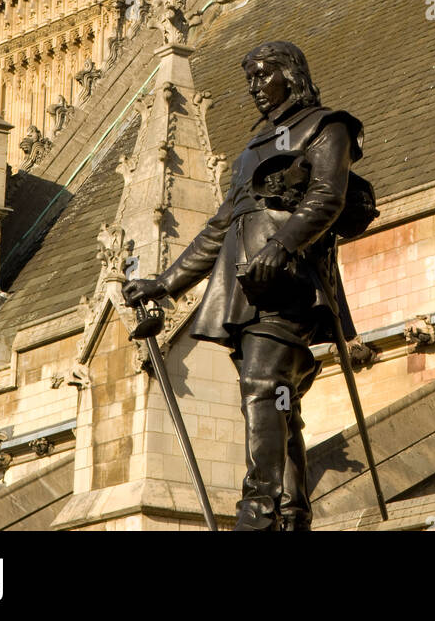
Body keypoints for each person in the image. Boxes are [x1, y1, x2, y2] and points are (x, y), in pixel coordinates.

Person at [123, 40, 370, 532]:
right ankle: (292, 511)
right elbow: (219, 229)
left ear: (291, 74)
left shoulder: (327, 127)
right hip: (243, 293)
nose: (256, 87)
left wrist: (281, 246)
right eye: (250, 79)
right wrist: (165, 285)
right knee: (279, 399)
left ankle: (257, 512)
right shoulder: (253, 150)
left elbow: (326, 197)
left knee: (261, 387)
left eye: (263, 75)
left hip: (290, 285)